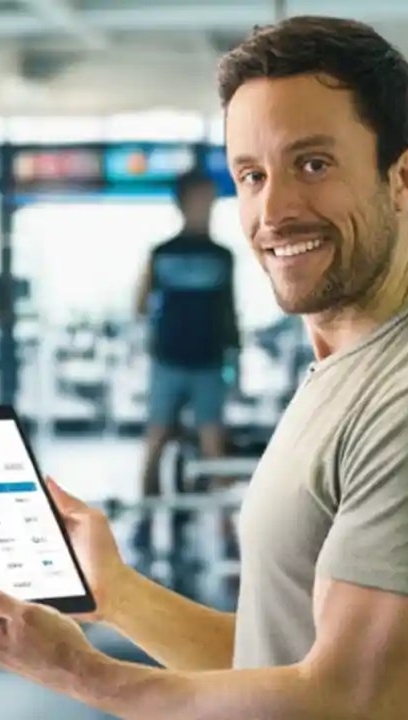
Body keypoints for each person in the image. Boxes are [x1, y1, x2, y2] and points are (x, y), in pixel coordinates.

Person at [0, 16, 408, 720]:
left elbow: (346, 706)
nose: (273, 210)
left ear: (404, 176)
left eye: (313, 164)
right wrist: (117, 594)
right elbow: (282, 666)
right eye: (251, 174)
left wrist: (84, 675)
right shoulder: (351, 369)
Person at [133, 169, 239, 529]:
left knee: (213, 444)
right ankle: (144, 522)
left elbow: (229, 309)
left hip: (209, 361)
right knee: (157, 438)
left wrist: (234, 359)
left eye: (208, 199)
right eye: (198, 199)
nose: (204, 206)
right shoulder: (161, 253)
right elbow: (140, 303)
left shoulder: (223, 255)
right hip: (169, 360)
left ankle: (227, 531)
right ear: (183, 203)